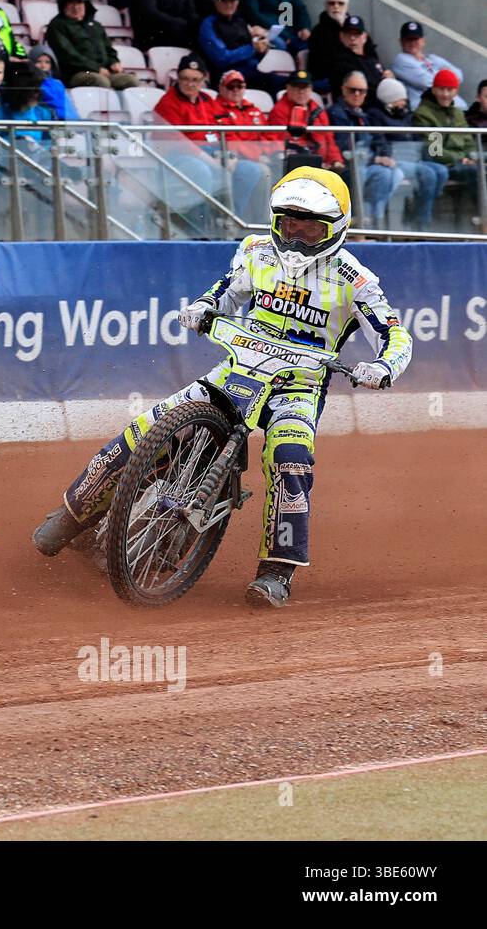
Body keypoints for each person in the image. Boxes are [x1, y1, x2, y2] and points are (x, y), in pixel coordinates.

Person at [33, 166, 413, 608]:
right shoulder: (256, 251)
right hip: (235, 371)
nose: (296, 236)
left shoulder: (355, 280)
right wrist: (203, 306)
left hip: (297, 390)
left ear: (335, 229)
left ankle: (277, 572)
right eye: (288, 224)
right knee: (147, 428)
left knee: (290, 459)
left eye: (309, 228)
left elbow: (395, 334)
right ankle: (72, 515)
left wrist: (384, 367)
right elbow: (226, 292)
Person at [155, 57, 268, 223]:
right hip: (178, 157)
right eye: (185, 79)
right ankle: (200, 225)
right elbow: (176, 141)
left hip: (213, 152)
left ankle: (230, 219)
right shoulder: (167, 103)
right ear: (178, 78)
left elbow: (224, 128)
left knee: (250, 170)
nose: (190, 84)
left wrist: (230, 154)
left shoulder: (206, 100)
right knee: (201, 169)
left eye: (195, 80)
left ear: (203, 80)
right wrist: (206, 157)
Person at [368, 77, 449, 230]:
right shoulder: (375, 116)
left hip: (414, 159)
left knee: (442, 171)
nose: (404, 103)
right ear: (389, 99)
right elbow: (380, 141)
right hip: (395, 161)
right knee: (429, 174)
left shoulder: (406, 114)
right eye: (400, 100)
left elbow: (416, 138)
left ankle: (419, 205)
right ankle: (422, 223)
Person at [327, 71, 399, 225]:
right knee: (359, 172)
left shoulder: (364, 115)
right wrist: (375, 158)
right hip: (346, 166)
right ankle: (354, 222)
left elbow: (379, 139)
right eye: (353, 90)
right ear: (343, 89)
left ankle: (374, 220)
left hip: (366, 163)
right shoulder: (336, 113)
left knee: (388, 173)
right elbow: (344, 148)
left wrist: (385, 155)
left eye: (362, 91)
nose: (357, 94)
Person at [45, 0, 138, 91]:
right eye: (71, 3)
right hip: (77, 73)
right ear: (64, 5)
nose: (76, 7)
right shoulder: (57, 26)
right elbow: (68, 55)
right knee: (100, 81)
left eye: (79, 2)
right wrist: (96, 69)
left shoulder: (95, 25)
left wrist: (114, 62)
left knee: (131, 80)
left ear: (85, 4)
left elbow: (109, 49)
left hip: (104, 71)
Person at [198, 0, 281, 93]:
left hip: (249, 71)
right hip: (226, 76)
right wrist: (252, 48)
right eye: (224, 1)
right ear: (216, 1)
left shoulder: (240, 20)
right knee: (273, 82)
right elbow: (221, 58)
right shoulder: (209, 24)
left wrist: (262, 50)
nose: (228, 5)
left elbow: (252, 52)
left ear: (237, 2)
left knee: (284, 82)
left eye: (232, 1)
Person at [413, 69, 480, 203]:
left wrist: (472, 156)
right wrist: (462, 159)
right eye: (441, 89)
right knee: (476, 173)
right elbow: (435, 151)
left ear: (456, 91)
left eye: (450, 90)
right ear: (433, 90)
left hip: (462, 163)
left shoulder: (458, 113)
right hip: (443, 165)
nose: (445, 94)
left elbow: (469, 143)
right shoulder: (424, 113)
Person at [267, 71, 344, 173]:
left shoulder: (319, 111)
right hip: (294, 163)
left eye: (305, 87)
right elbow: (280, 143)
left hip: (321, 163)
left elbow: (329, 139)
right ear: (288, 88)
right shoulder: (280, 110)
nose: (301, 91)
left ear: (311, 89)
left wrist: (335, 160)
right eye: (296, 87)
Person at [391, 21, 465, 111]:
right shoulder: (401, 60)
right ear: (401, 42)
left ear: (423, 41)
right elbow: (426, 82)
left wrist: (444, 79)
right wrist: (447, 78)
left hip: (454, 110)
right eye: (409, 39)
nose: (413, 43)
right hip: (426, 111)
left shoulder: (432, 58)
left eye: (416, 39)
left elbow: (459, 75)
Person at [328, 15, 392, 109]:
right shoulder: (339, 61)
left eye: (356, 34)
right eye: (348, 34)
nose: (352, 38)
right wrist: (385, 84)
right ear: (341, 36)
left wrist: (390, 78)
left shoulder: (371, 59)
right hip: (359, 108)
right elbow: (368, 87)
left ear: (364, 37)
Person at [239, 0, 310, 55]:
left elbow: (300, 8)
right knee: (281, 46)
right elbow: (254, 15)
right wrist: (285, 35)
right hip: (268, 33)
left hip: (291, 31)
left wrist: (304, 27)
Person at [211, 69, 271, 161]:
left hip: (261, 156)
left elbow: (267, 135)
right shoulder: (215, 109)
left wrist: (267, 153)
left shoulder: (255, 110)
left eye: (239, 86)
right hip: (236, 157)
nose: (236, 90)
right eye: (230, 86)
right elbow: (229, 139)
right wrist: (256, 156)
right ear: (221, 88)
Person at [131, 0, 200, 50]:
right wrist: (184, 26)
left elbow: (191, 11)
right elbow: (150, 13)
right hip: (154, 38)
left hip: (179, 35)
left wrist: (198, 26)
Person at [27, 43, 78, 121]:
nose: (43, 65)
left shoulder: (58, 83)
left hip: (67, 121)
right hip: (49, 121)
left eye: (47, 62)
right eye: (39, 61)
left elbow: (67, 106)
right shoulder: (30, 84)